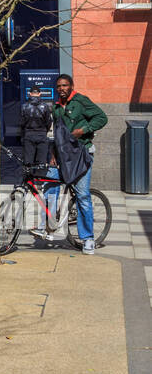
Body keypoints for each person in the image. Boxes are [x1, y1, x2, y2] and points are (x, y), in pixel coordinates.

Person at [52, 73, 108, 255]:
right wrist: (53, 154)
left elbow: (101, 118)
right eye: (59, 86)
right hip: (64, 156)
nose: (62, 88)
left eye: (65, 85)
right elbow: (57, 134)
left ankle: (88, 239)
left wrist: (83, 130)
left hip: (82, 153)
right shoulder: (56, 108)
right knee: (49, 183)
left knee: (83, 195)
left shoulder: (81, 101)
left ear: (71, 86)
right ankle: (49, 225)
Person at [18, 84, 53, 175]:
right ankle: (39, 184)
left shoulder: (24, 106)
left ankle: (29, 184)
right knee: (41, 162)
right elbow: (49, 122)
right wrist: (44, 131)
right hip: (42, 135)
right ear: (40, 93)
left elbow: (22, 123)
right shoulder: (45, 106)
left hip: (28, 135)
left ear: (30, 94)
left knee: (28, 162)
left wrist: (23, 134)